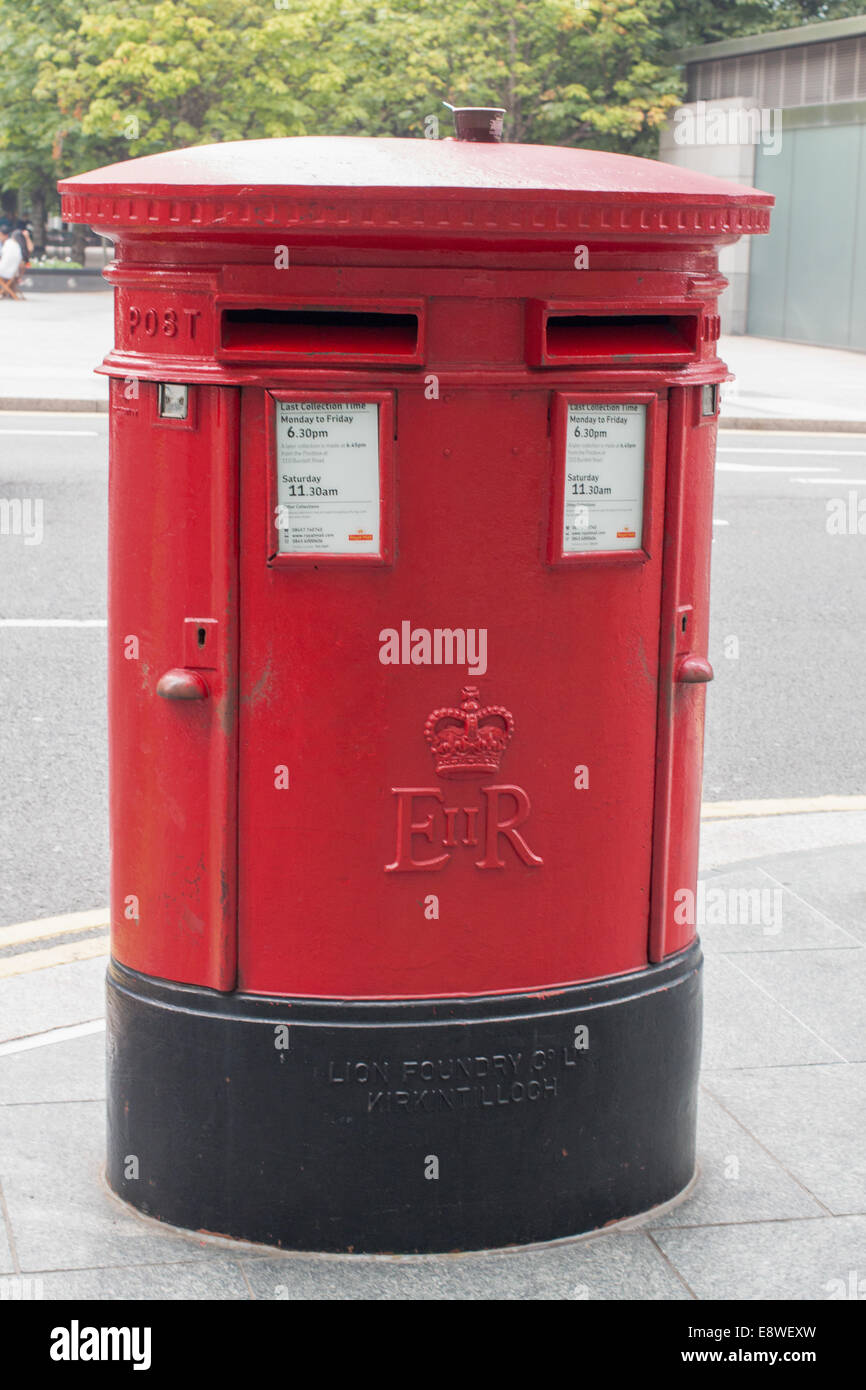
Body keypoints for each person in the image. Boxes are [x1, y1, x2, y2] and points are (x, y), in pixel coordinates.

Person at [0, 221, 24, 298]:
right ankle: (7, 292)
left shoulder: (7, 245)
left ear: (5, 235)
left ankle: (5, 292)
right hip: (13, 272)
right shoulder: (14, 244)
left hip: (4, 271)